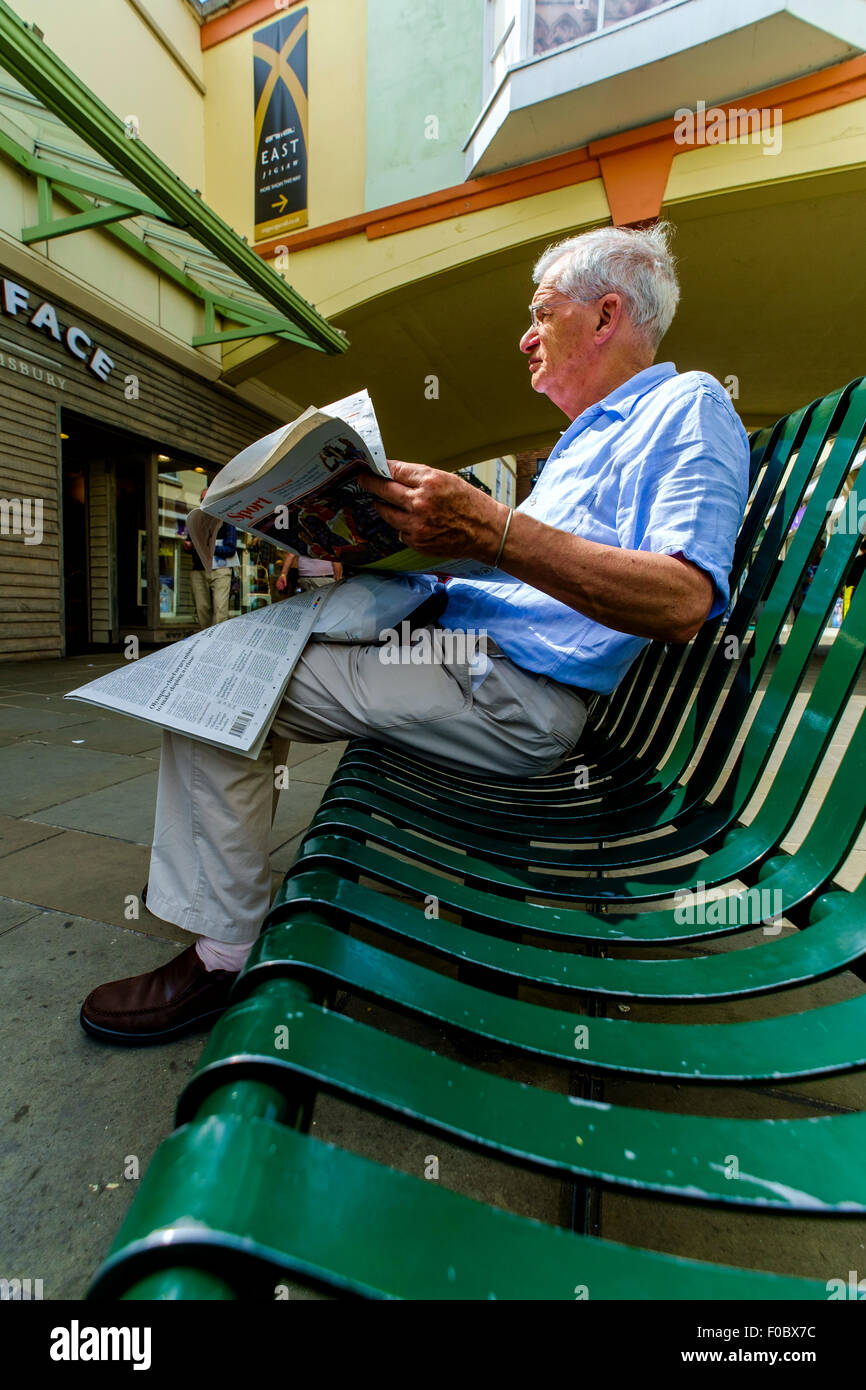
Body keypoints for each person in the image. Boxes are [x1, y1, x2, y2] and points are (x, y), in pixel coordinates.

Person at [80, 221, 750, 1045]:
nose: (524, 335)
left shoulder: (687, 406)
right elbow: (518, 578)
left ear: (606, 316)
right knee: (233, 659)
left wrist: (492, 530)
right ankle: (223, 933)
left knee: (214, 688)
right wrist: (355, 550)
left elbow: (683, 598)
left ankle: (223, 957)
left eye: (542, 312)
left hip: (510, 692)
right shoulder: (582, 443)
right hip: (461, 660)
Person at [183, 489, 238, 627]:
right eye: (202, 500)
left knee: (220, 610)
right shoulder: (195, 520)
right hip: (199, 569)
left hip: (220, 570)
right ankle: (204, 644)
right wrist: (188, 546)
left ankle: (218, 643)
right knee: (202, 610)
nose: (204, 502)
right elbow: (190, 543)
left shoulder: (226, 519)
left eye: (207, 499)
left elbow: (230, 549)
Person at [276, 552, 343, 595]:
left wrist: (283, 574)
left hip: (305, 578)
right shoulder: (325, 537)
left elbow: (290, 555)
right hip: (323, 579)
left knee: (309, 604)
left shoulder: (300, 536)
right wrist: (338, 579)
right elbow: (336, 561)